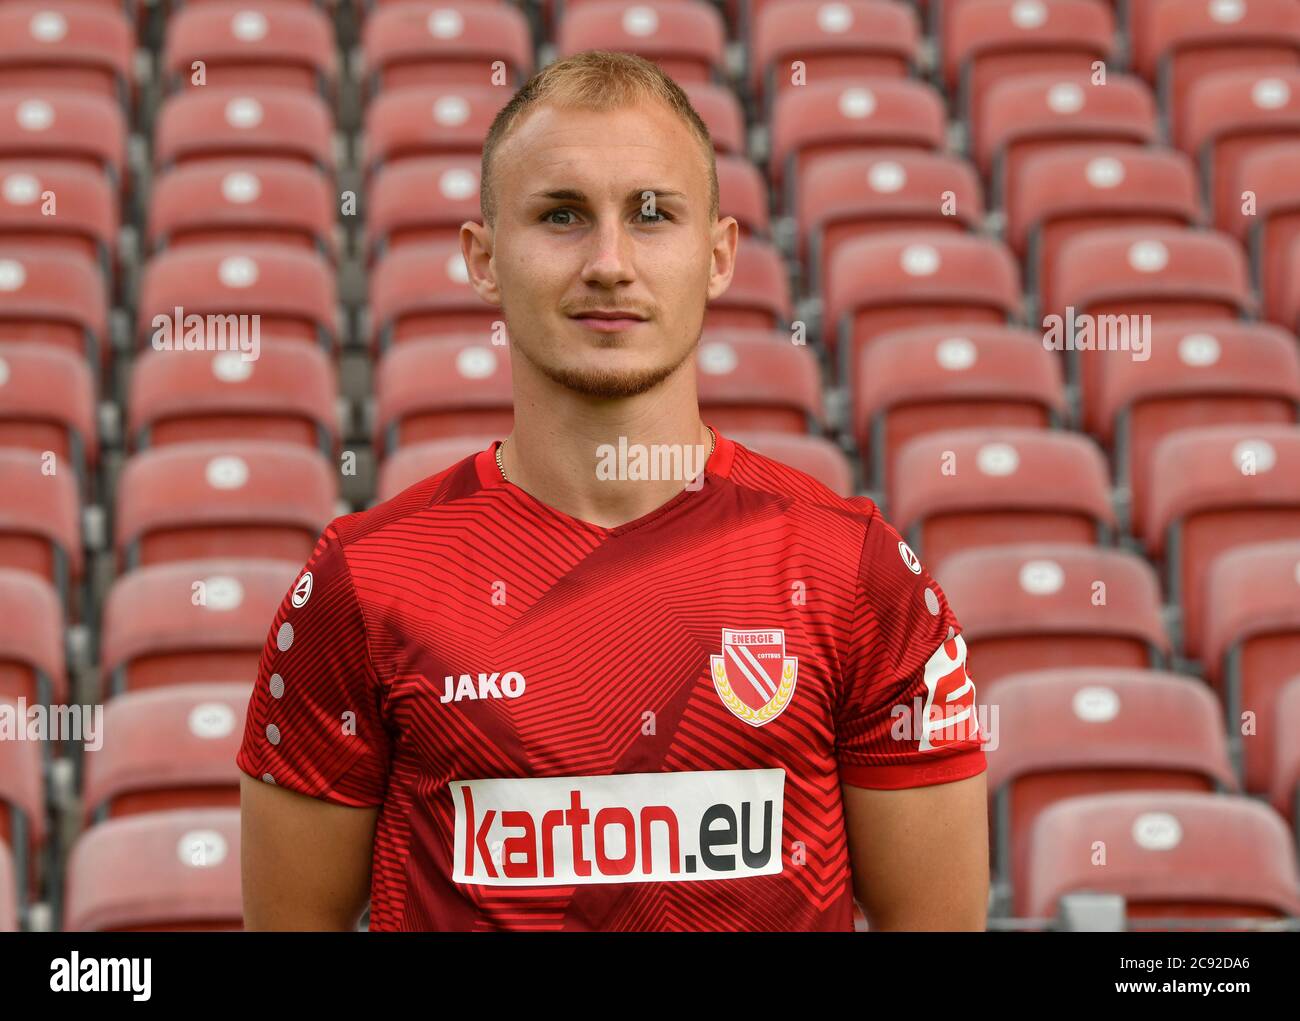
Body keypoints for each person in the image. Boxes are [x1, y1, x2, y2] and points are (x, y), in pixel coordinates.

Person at [238, 50, 989, 931]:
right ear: (483, 259)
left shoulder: (852, 571)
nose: (608, 261)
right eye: (561, 215)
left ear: (717, 256)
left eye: (652, 214)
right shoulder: (364, 581)